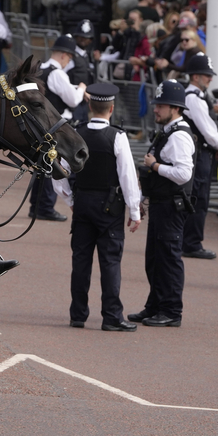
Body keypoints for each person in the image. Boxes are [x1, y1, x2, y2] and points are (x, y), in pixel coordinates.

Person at [56, 82, 142, 331]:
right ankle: (112, 317)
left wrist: (70, 200)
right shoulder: (117, 136)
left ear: (89, 106)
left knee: (80, 261)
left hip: (83, 203)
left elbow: (59, 172)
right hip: (110, 207)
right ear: (111, 108)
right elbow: (127, 176)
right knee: (110, 262)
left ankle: (78, 314)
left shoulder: (76, 133)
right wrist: (134, 210)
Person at [128, 80, 196, 327]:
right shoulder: (169, 131)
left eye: (161, 105)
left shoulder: (179, 136)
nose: (155, 109)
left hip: (171, 206)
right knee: (155, 259)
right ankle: (155, 306)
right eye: (156, 104)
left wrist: (155, 165)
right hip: (161, 204)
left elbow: (183, 174)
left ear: (175, 108)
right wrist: (144, 199)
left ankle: (171, 311)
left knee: (168, 259)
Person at [28, 35, 86, 222]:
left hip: (42, 124)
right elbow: (73, 100)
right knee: (52, 166)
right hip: (57, 126)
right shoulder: (58, 73)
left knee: (42, 165)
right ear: (64, 55)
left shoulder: (40, 69)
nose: (69, 61)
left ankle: (37, 206)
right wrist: (82, 88)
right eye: (69, 57)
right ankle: (45, 206)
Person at [181, 53, 218, 260]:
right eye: (206, 75)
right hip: (199, 155)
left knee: (196, 197)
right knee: (198, 199)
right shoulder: (194, 98)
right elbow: (207, 130)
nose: (210, 78)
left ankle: (187, 241)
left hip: (199, 153)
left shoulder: (196, 96)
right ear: (195, 76)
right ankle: (191, 243)